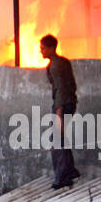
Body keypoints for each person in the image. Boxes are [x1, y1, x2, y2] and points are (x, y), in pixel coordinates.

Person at [40, 34, 80, 189]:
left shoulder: (56, 66)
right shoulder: (63, 62)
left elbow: (61, 90)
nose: (41, 51)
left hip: (62, 106)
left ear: (51, 48)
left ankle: (63, 177)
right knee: (61, 137)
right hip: (69, 103)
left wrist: (59, 112)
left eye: (43, 48)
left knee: (56, 139)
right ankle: (70, 171)